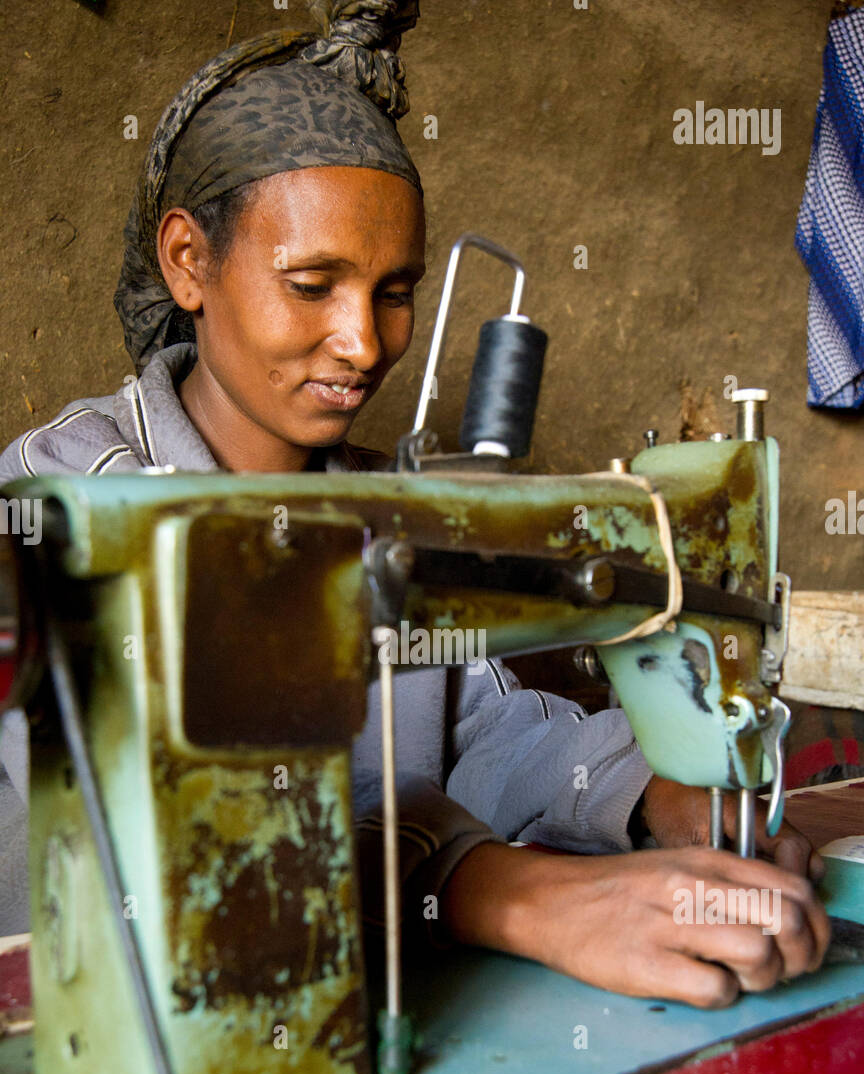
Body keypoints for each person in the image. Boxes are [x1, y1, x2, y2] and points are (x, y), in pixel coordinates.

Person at [0, 1, 829, 1006]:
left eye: (395, 291)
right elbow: (173, 829)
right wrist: (505, 890)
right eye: (312, 284)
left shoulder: (382, 505)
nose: (363, 343)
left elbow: (480, 725)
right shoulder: (71, 497)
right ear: (188, 261)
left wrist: (649, 798)